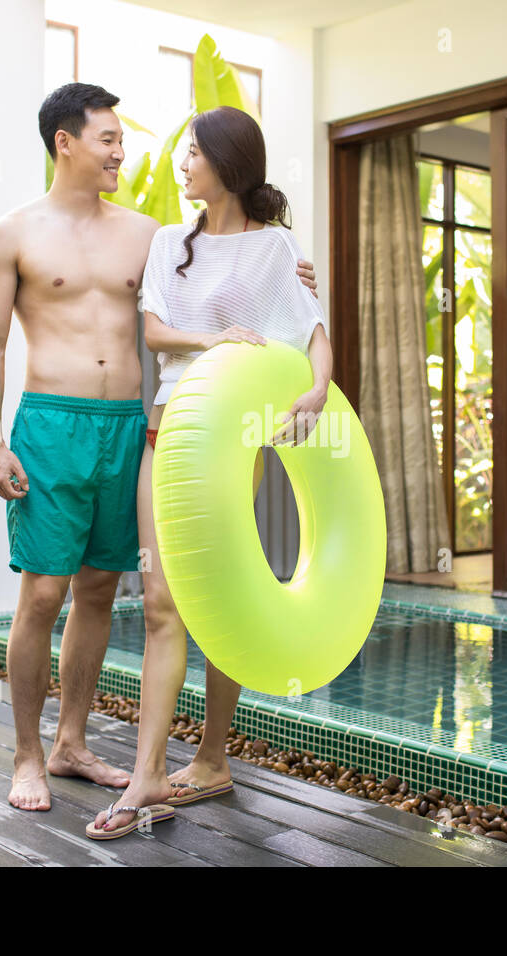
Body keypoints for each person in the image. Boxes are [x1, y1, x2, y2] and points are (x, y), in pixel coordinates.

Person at [0, 86, 318, 814]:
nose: (121, 153)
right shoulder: (11, 234)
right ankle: (27, 754)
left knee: (99, 589)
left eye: (122, 140)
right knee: (41, 593)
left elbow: (223, 269)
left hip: (132, 425)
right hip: (52, 423)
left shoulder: (150, 234)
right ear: (65, 142)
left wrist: (293, 273)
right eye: (107, 140)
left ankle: (71, 741)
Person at [89, 106, 332, 837]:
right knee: (161, 602)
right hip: (168, 432)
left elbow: (315, 335)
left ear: (226, 161)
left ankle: (215, 759)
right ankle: (148, 776)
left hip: (236, 444)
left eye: (192, 152)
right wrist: (214, 338)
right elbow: (155, 330)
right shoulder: (171, 241)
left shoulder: (276, 249)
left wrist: (317, 391)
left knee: (220, 599)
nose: (180, 162)